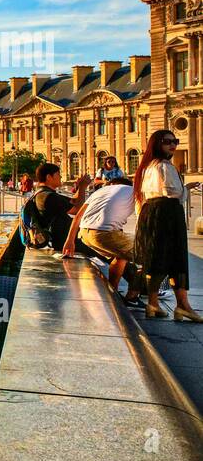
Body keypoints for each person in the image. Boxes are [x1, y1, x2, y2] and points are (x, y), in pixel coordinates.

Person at [133, 130, 201, 322]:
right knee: (177, 259)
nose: (173, 145)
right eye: (167, 142)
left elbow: (145, 196)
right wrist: (186, 188)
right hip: (168, 214)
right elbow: (174, 194)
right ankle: (183, 306)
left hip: (151, 213)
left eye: (175, 141)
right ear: (157, 144)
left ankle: (152, 304)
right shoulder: (165, 166)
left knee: (155, 259)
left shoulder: (146, 167)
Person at [61, 178, 143, 306]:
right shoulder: (135, 191)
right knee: (152, 256)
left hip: (84, 234)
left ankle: (112, 292)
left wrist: (70, 241)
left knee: (121, 256)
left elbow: (77, 216)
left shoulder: (101, 192)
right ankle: (132, 296)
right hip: (104, 234)